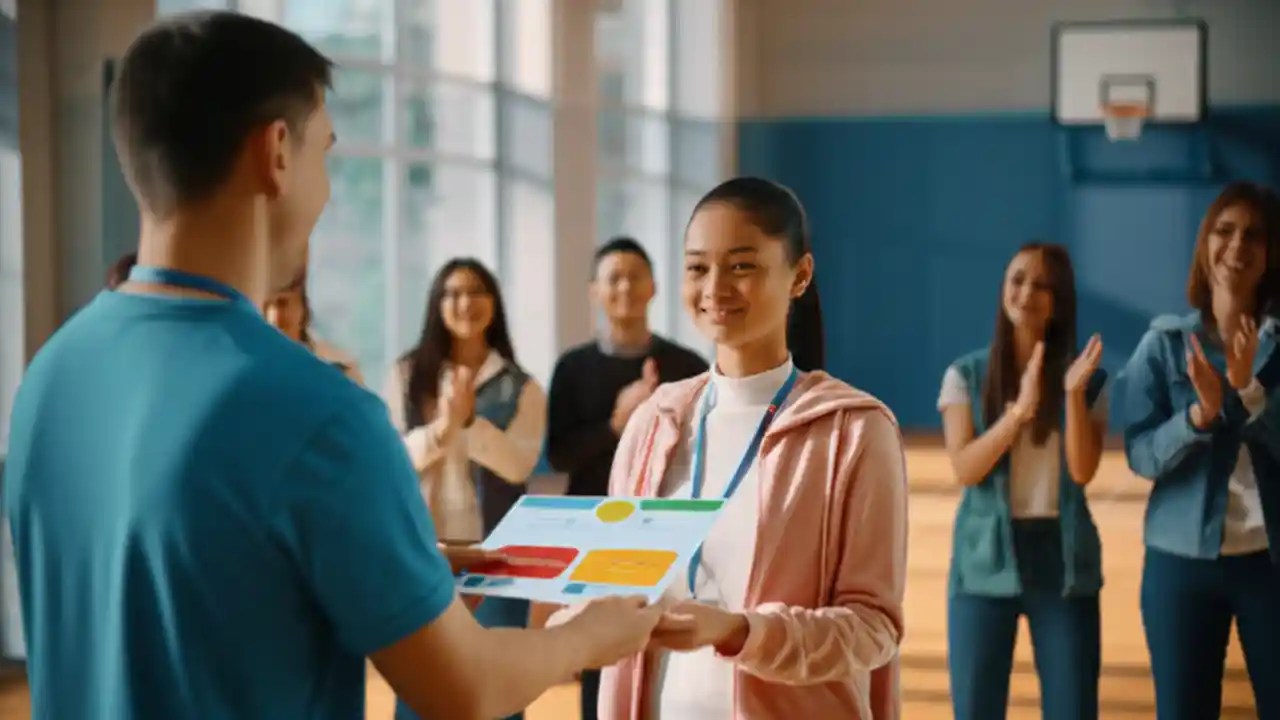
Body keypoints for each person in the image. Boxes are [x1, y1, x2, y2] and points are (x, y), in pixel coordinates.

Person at [1, 12, 666, 719]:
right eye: (327, 151)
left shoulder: (49, 376)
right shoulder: (317, 413)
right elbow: (467, 688)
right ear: (277, 152)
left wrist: (389, 569)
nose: (327, 189)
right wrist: (590, 634)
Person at [553, 177, 909, 719]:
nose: (715, 287)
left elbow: (871, 628)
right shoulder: (654, 423)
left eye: (742, 266)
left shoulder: (854, 432)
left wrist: (743, 631)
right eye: (698, 267)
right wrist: (570, 619)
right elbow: (616, 585)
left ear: (800, 275)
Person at [1121, 181, 1280, 720]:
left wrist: (1249, 390)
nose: (1238, 246)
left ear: (1270, 253)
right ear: (1205, 244)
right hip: (1178, 567)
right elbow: (1141, 455)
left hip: (1271, 564)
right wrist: (1198, 417)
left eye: (1254, 235)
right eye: (1225, 230)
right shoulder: (1163, 346)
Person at [938, 242, 1108, 720]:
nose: (1027, 292)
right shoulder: (965, 374)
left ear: (1060, 301)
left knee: (1073, 708)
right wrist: (1017, 414)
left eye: (1042, 284)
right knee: (976, 708)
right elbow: (966, 468)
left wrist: (1071, 394)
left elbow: (1082, 470)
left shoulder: (1088, 379)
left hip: (1064, 560)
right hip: (983, 560)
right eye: (1017, 279)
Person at [546, 236, 707, 717]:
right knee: (599, 651)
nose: (625, 287)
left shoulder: (688, 366)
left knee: (666, 644)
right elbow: (559, 455)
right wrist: (617, 424)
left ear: (654, 286)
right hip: (593, 530)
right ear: (594, 291)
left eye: (635, 275)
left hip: (666, 527)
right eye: (613, 278)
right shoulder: (573, 368)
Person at [383, 258, 546, 720]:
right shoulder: (405, 375)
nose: (465, 302)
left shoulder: (522, 387)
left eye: (477, 291)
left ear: (494, 303)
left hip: (497, 558)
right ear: (437, 305)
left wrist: (470, 422)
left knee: (497, 690)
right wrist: (443, 426)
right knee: (421, 689)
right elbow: (394, 462)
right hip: (422, 552)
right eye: (452, 293)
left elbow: (518, 465)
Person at [264, 268, 364, 384]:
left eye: (283, 304)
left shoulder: (339, 365)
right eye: (270, 306)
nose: (275, 314)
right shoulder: (263, 363)